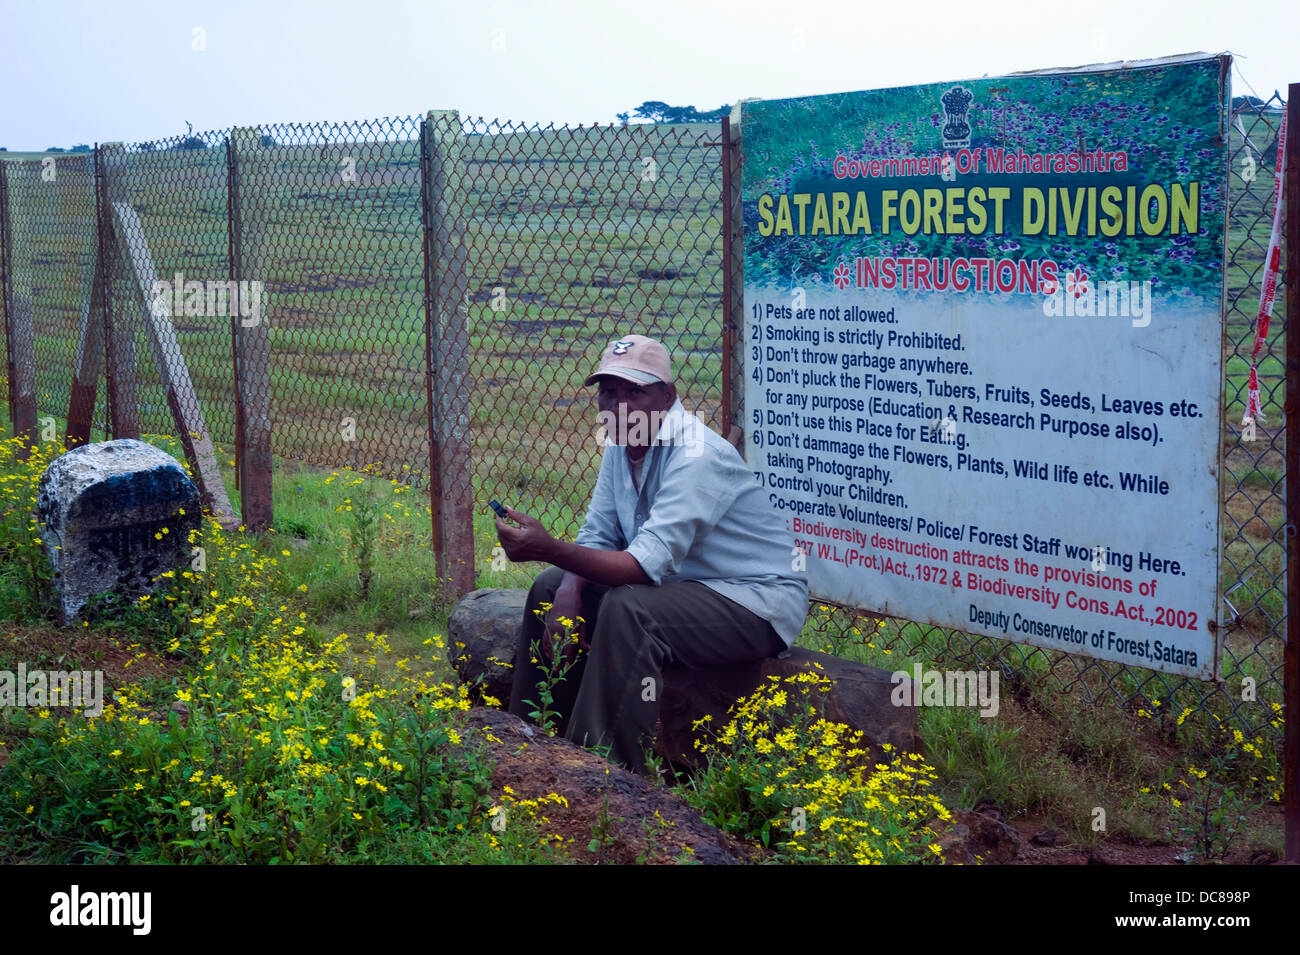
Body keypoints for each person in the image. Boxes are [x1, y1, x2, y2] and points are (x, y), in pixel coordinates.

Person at [494, 333, 808, 772]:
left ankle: (600, 773)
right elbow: (600, 532)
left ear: (668, 397)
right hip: (684, 591)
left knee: (628, 609)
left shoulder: (696, 454)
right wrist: (566, 588)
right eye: (608, 391)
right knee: (550, 586)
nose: (618, 404)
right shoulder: (623, 443)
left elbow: (641, 566)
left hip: (755, 601)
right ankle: (528, 747)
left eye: (634, 392)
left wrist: (548, 548)